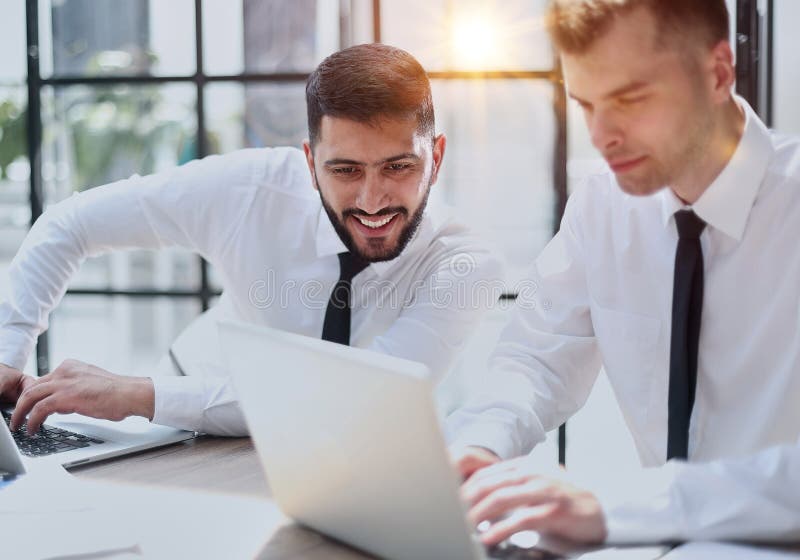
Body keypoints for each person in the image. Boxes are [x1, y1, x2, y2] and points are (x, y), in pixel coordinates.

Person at [0, 44, 501, 437]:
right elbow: (70, 223)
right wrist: (7, 353)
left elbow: (356, 399)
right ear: (309, 161)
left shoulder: (464, 266)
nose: (372, 200)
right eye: (345, 170)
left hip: (336, 450)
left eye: (398, 167)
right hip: (172, 427)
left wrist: (134, 392)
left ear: (436, 157)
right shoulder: (248, 190)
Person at [446, 0, 800, 548]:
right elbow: (533, 357)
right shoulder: (601, 207)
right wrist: (481, 446)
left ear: (718, 72)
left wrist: (621, 507)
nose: (601, 135)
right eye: (585, 104)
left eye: (629, 100)